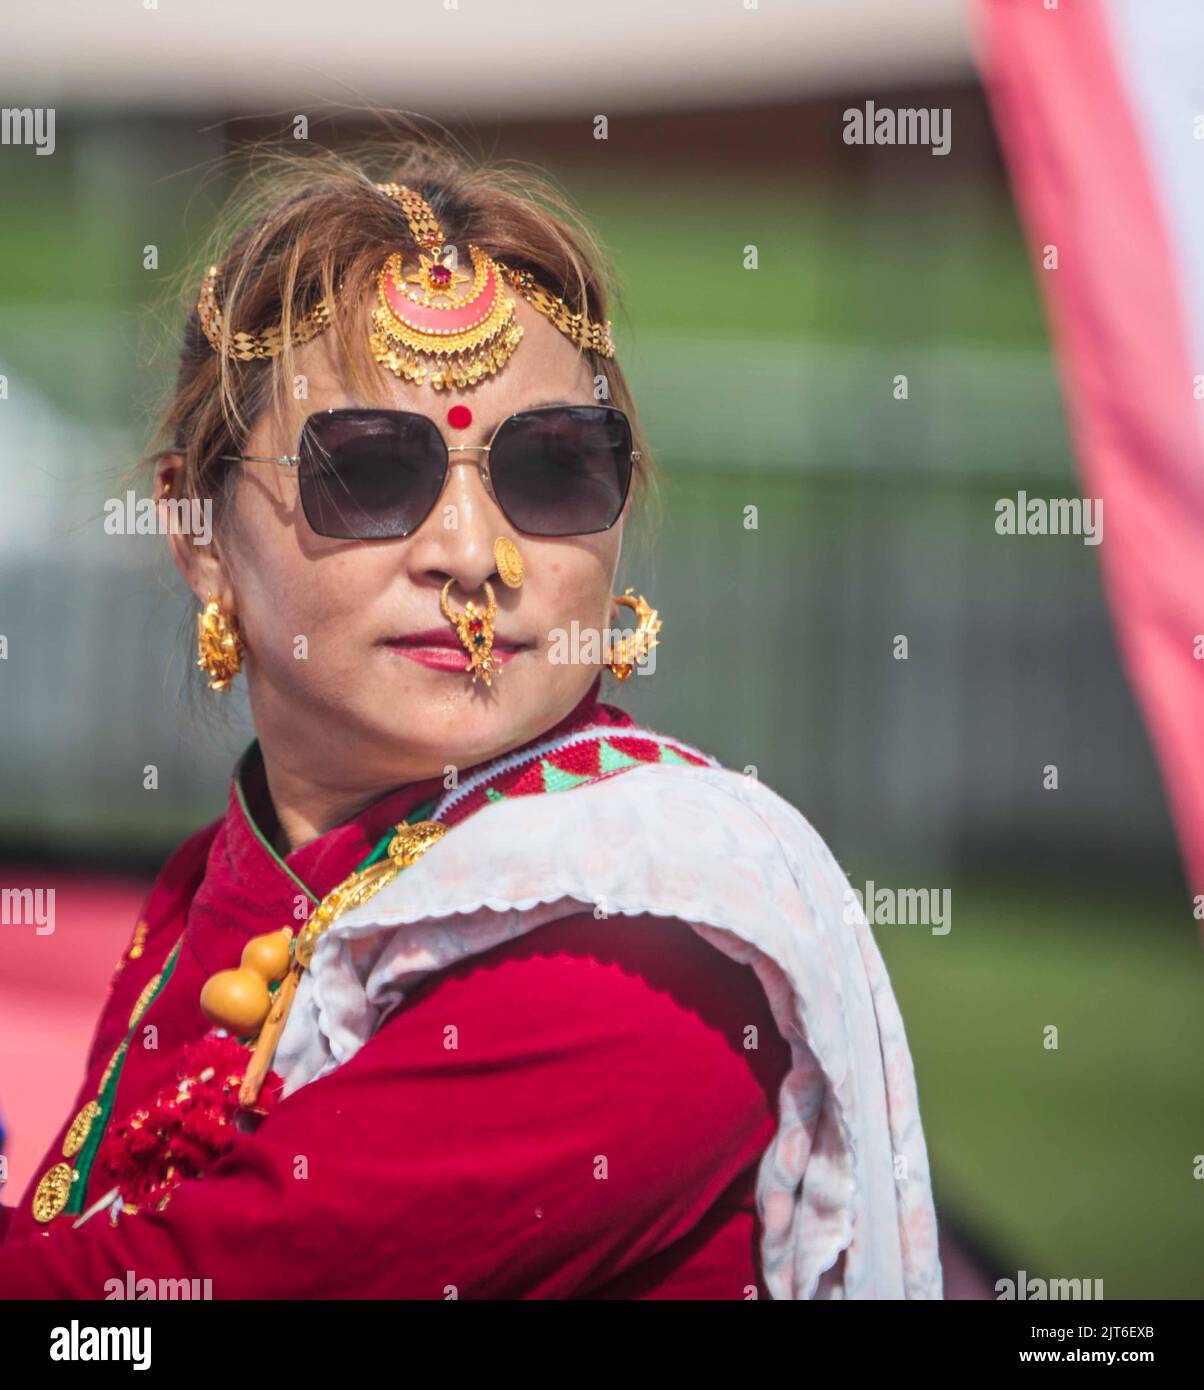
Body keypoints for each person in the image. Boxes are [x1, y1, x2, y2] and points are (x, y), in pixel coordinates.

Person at [0, 136, 942, 1299]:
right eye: (368, 471)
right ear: (198, 533)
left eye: (548, 468)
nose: (470, 553)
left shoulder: (658, 937)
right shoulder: (221, 883)